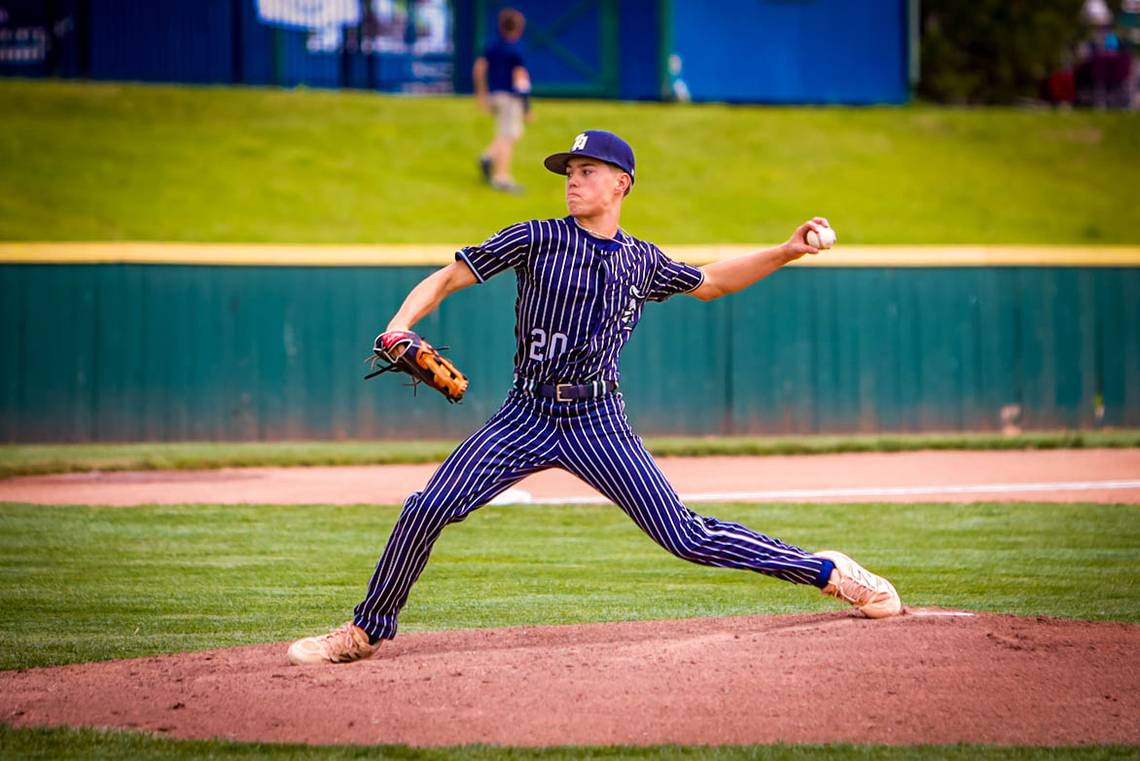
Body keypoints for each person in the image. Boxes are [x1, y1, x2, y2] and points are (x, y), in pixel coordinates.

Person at [288, 130, 903, 665]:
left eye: (587, 172)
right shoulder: (534, 238)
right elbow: (449, 277)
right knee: (426, 507)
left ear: (621, 185)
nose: (572, 181)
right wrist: (400, 324)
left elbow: (712, 282)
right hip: (525, 415)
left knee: (685, 536)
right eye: (568, 172)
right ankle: (366, 630)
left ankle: (831, 573)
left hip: (597, 419)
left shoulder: (640, 260)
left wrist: (787, 250)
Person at [473, 8, 531, 193]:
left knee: (512, 133)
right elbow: (520, 78)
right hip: (509, 97)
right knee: (507, 136)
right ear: (519, 28)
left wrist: (481, 93)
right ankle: (502, 177)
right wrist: (526, 105)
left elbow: (480, 68)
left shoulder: (492, 46)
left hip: (494, 94)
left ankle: (487, 156)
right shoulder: (515, 50)